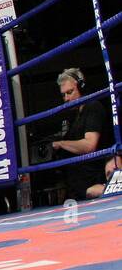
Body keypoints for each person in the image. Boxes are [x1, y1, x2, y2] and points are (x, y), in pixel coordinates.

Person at [50, 67, 105, 201]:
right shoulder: (75, 116)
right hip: (79, 190)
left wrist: (61, 143)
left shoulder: (93, 107)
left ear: (81, 87)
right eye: (63, 95)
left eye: (69, 92)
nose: (66, 98)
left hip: (92, 186)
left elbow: (89, 145)